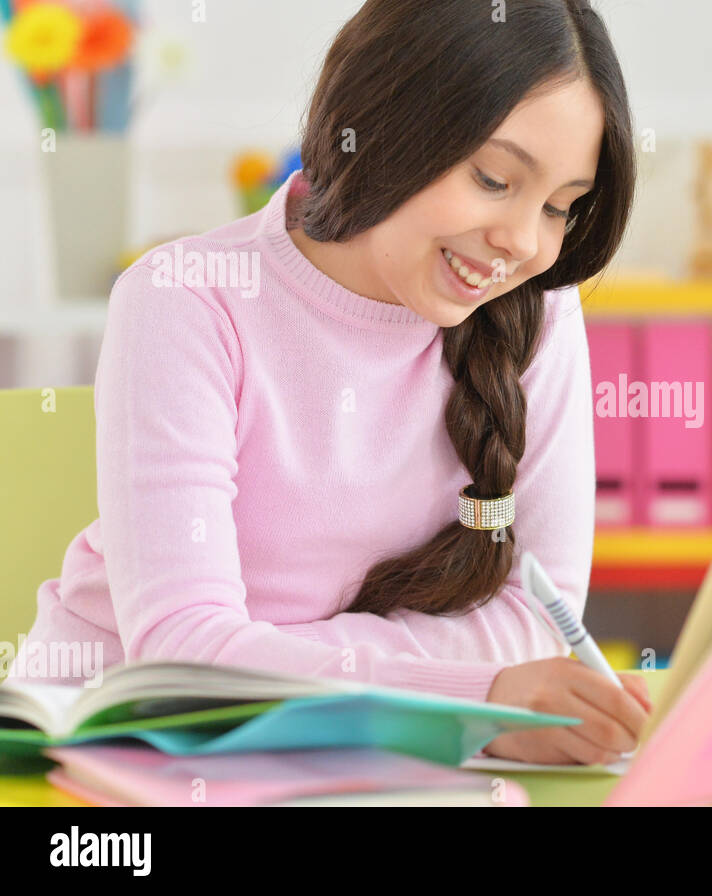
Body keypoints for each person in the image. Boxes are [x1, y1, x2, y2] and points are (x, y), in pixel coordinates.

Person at [10, 0, 649, 767]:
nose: (522, 242)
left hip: (365, 755)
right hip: (119, 752)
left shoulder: (537, 312)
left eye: (559, 207)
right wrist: (468, 691)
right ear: (382, 120)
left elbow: (542, 623)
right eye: (493, 178)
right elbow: (182, 661)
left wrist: (270, 659)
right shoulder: (188, 297)